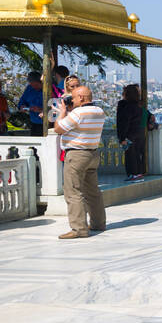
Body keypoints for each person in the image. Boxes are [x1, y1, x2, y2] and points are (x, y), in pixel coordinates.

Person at [53, 85, 107, 239]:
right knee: (93, 191)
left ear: (82, 97)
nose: (72, 100)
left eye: (74, 97)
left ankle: (79, 229)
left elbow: (58, 128)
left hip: (77, 154)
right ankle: (98, 223)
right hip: (93, 153)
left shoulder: (78, 113)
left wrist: (62, 113)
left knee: (73, 191)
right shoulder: (99, 111)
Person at [115, 83, 148, 182]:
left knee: (131, 155)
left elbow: (123, 123)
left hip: (129, 136)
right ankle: (138, 173)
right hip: (139, 135)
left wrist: (122, 138)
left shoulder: (126, 107)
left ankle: (133, 174)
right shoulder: (139, 107)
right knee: (137, 155)